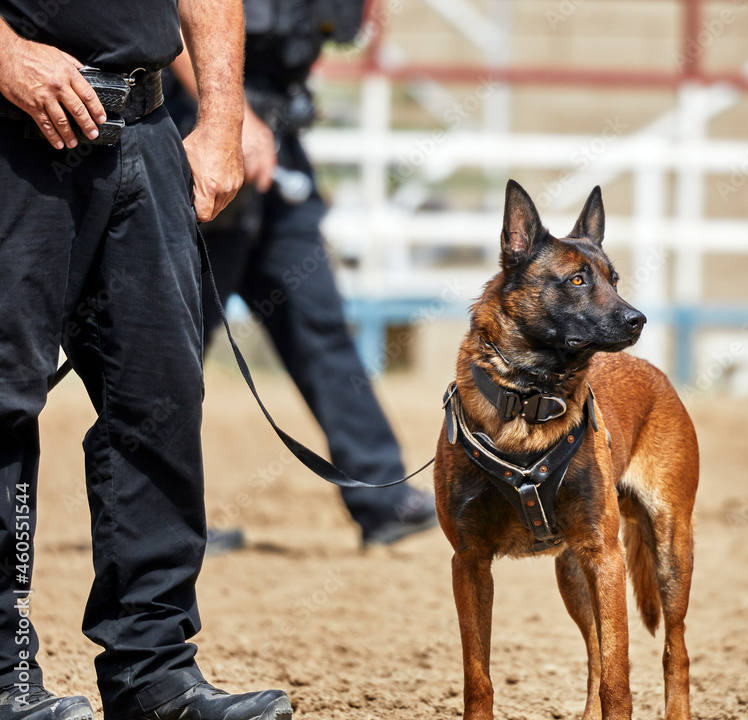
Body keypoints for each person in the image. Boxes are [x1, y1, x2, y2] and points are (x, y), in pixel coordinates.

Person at [0, 1, 292, 720]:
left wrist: (222, 118)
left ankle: (153, 671)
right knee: (2, 403)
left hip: (143, 130)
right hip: (13, 132)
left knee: (158, 397)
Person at [163, 0, 437, 551]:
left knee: (319, 322)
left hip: (276, 142)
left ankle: (381, 496)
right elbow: (168, 25)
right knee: (176, 338)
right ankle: (161, 518)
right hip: (207, 132)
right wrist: (229, 119)